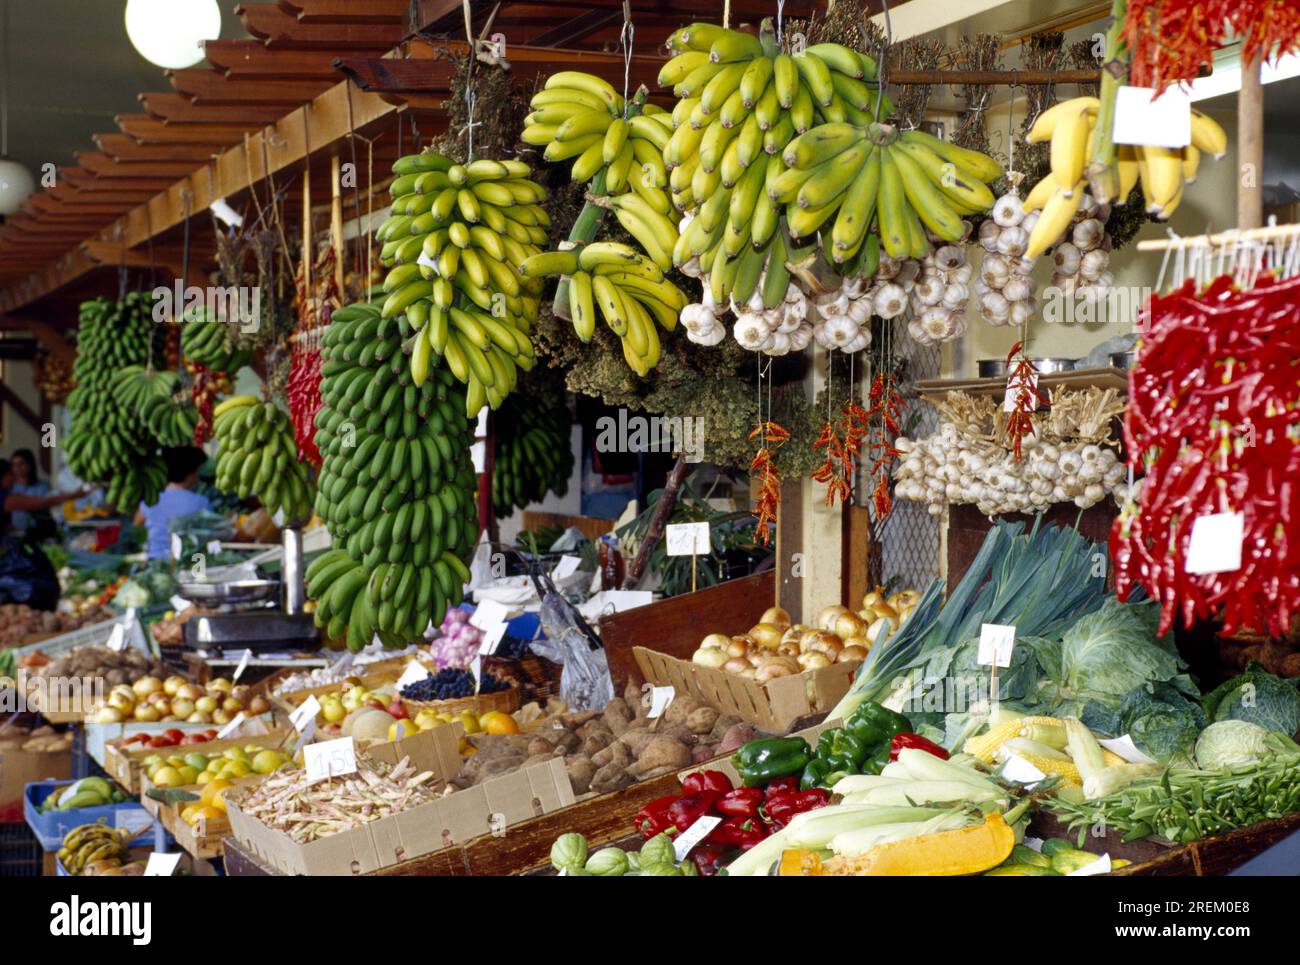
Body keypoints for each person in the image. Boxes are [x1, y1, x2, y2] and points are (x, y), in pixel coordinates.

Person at [134, 447, 211, 560]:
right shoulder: (200, 502)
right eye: (197, 471)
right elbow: (209, 533)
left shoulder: (152, 499)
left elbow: (137, 523)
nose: (198, 476)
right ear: (190, 473)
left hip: (154, 560)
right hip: (187, 561)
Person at [0, 458, 90, 537]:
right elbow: (42, 503)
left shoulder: (7, 493)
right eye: (11, 475)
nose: (14, 478)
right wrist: (76, 495)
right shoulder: (4, 497)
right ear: (4, 476)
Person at [7, 448, 51, 537]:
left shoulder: (44, 487)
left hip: (39, 534)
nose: (17, 468)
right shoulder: (10, 488)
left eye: (21, 464)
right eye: (14, 465)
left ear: (30, 465)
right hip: (14, 535)